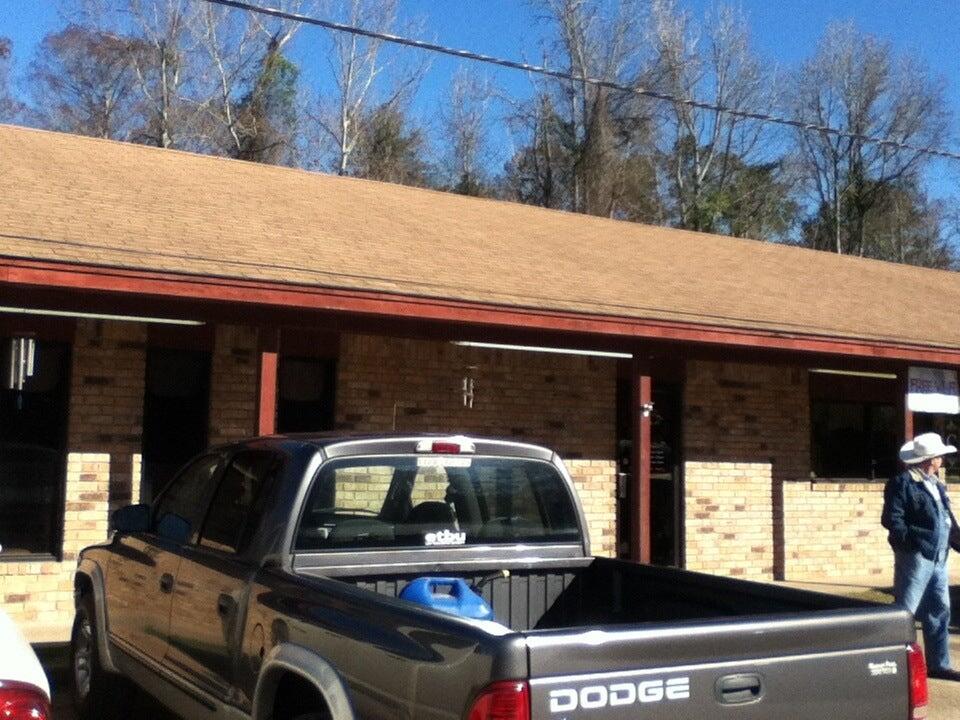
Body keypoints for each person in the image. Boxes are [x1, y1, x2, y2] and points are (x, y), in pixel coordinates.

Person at [882, 432, 960, 680]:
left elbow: (945, 519)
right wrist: (910, 543)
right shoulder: (902, 483)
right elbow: (892, 519)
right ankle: (896, 665)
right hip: (917, 556)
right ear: (930, 460)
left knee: (939, 609)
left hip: (938, 557)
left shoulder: (936, 483)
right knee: (905, 612)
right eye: (939, 457)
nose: (941, 461)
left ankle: (939, 665)